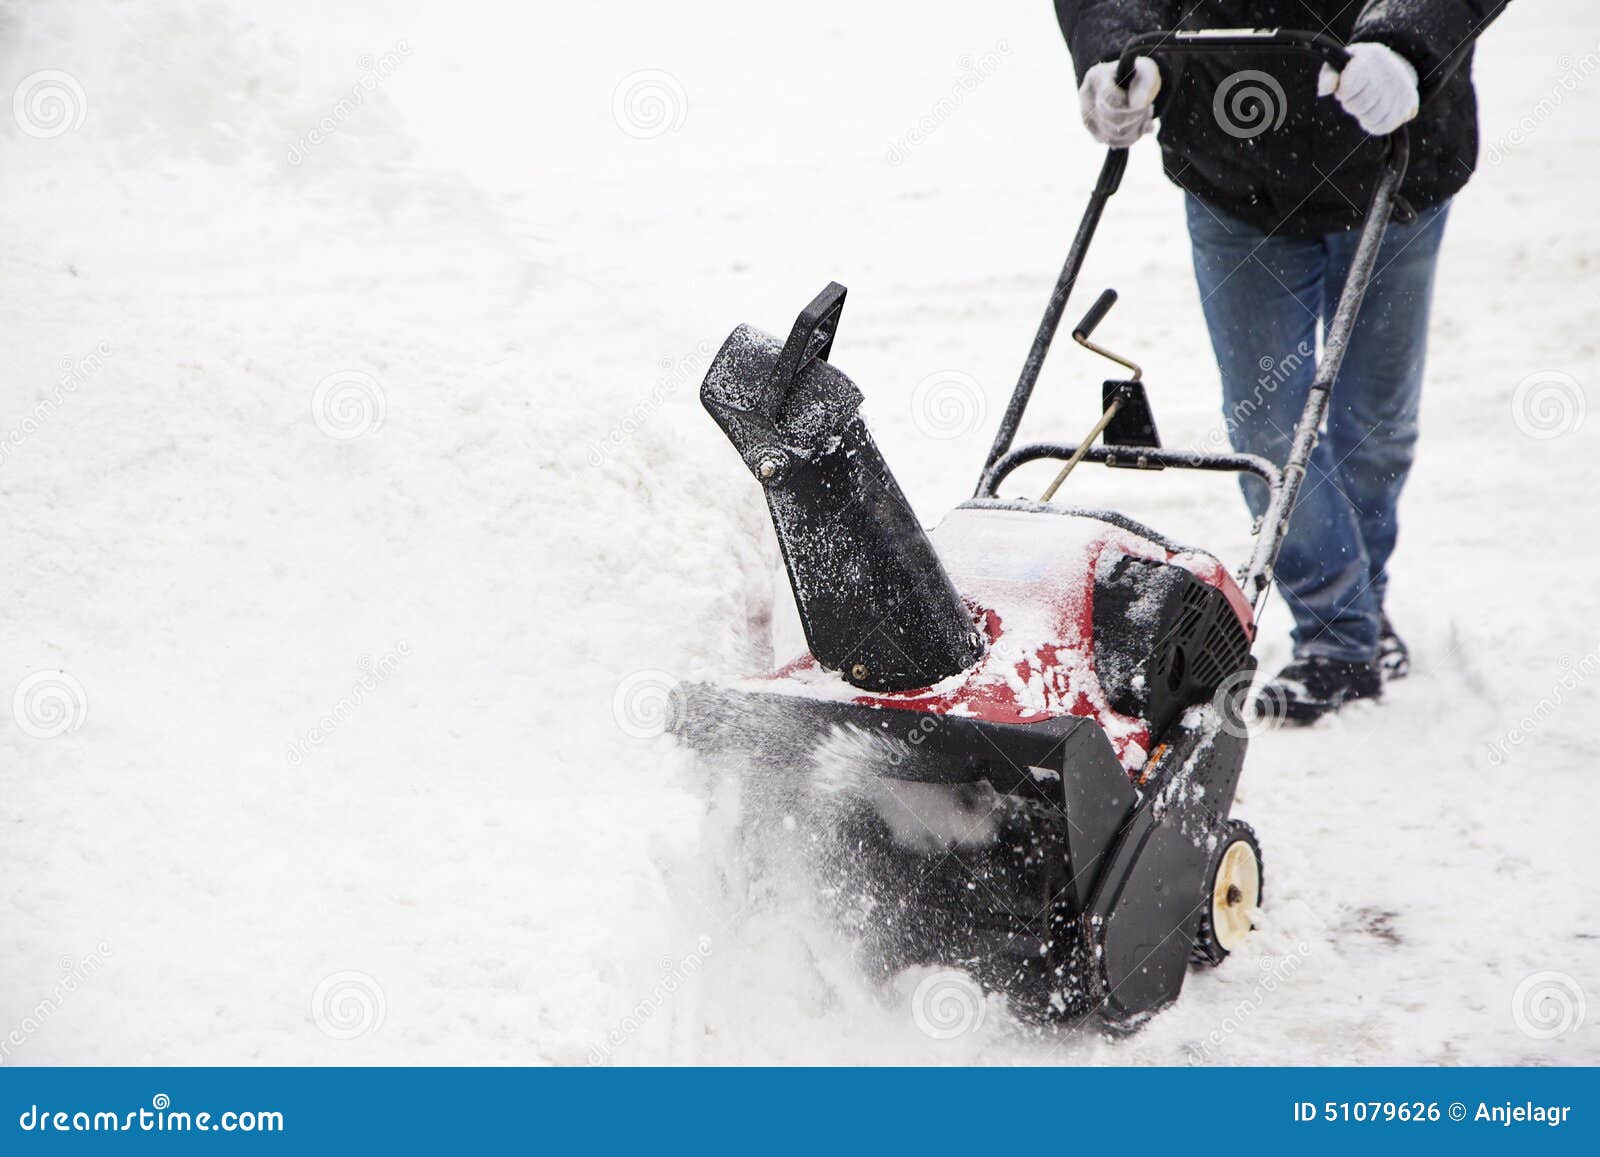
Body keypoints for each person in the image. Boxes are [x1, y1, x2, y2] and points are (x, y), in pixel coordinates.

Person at [1055, 1, 1506, 722]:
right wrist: (1117, 51)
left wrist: (1406, 42)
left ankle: (1360, 605)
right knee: (1267, 424)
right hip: (1235, 173)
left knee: (1373, 419)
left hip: (1397, 157)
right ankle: (1337, 632)